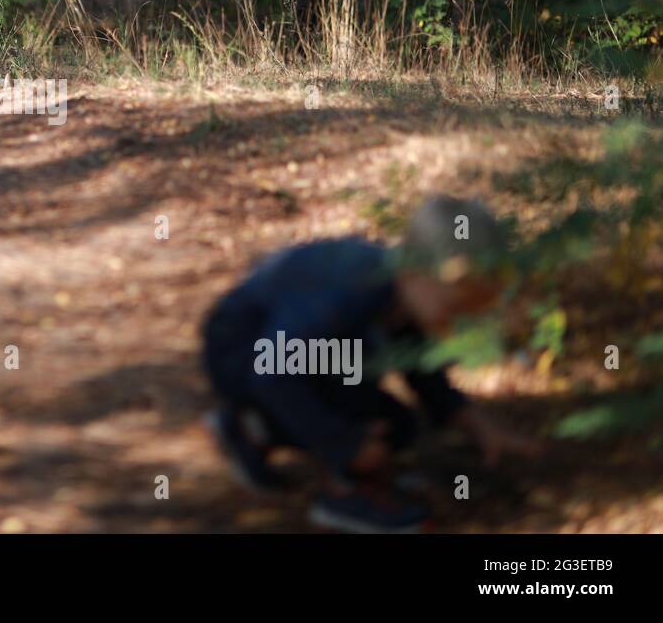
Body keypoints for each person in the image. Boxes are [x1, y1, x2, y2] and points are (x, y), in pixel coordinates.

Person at [202, 195, 542, 532]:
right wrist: (346, 443)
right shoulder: (350, 291)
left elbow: (422, 371)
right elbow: (273, 370)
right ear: (416, 272)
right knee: (354, 367)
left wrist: (477, 425)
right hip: (241, 354)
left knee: (397, 425)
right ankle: (341, 491)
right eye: (455, 307)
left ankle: (251, 429)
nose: (460, 320)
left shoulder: (401, 293)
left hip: (284, 361)